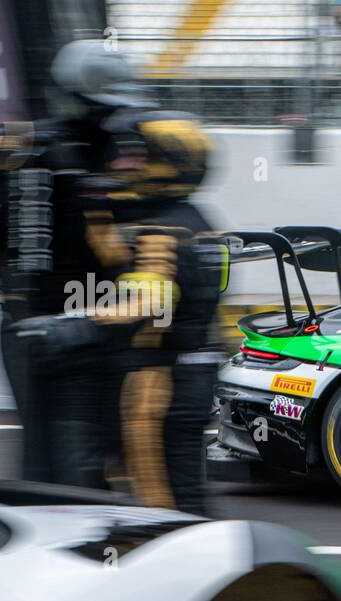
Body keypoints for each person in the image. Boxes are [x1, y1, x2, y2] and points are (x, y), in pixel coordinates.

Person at [0, 39, 153, 488]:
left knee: (107, 459)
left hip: (104, 322)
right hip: (29, 321)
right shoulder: (5, 145)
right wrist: (25, 195)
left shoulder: (128, 151)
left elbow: (148, 234)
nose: (107, 119)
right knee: (42, 461)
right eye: (97, 107)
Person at [87, 111, 223, 515]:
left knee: (157, 500)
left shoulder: (161, 230)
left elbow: (149, 303)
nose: (124, 163)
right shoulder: (200, 222)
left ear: (168, 161)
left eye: (138, 155)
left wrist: (80, 322)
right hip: (195, 373)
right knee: (187, 493)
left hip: (160, 381)